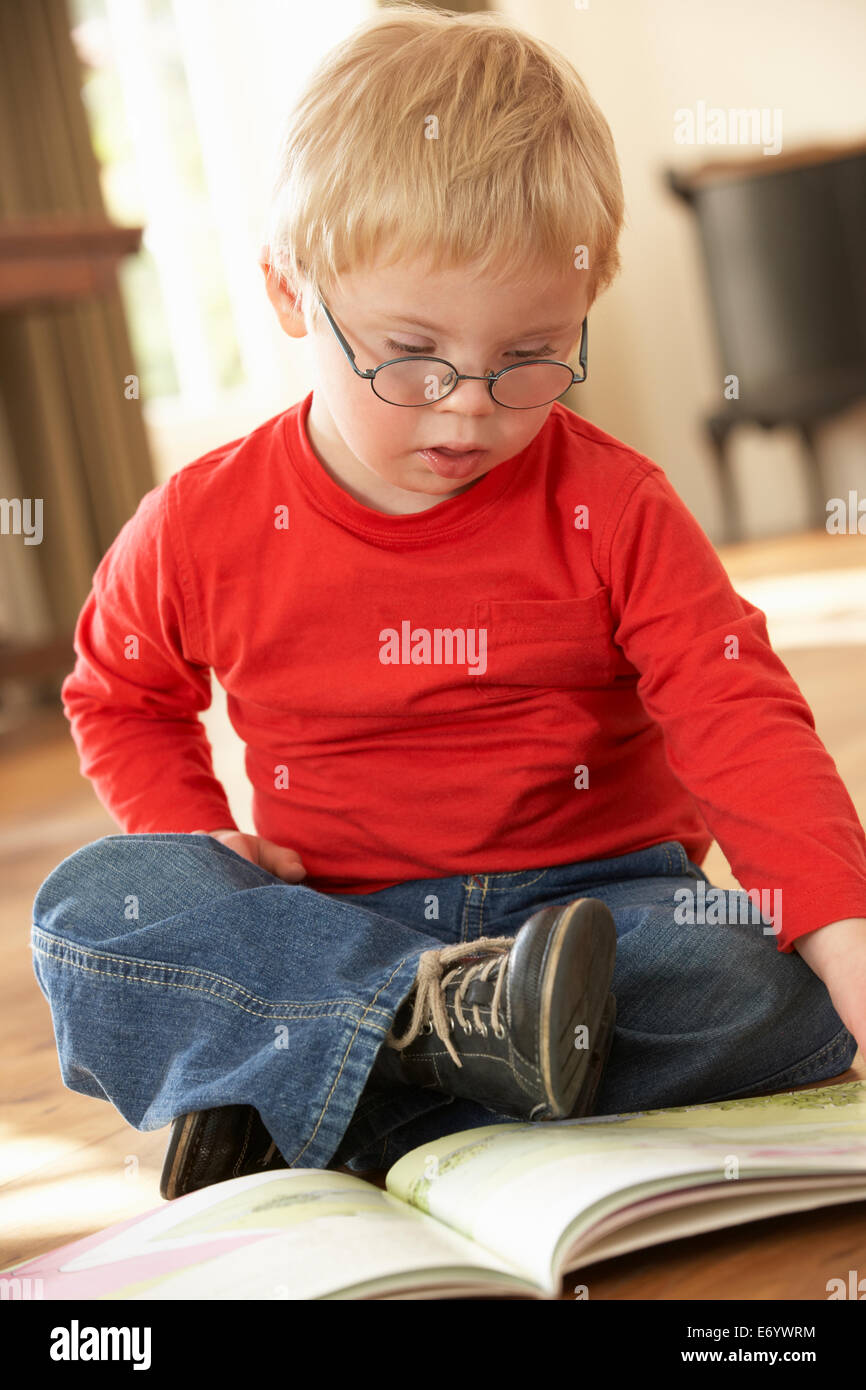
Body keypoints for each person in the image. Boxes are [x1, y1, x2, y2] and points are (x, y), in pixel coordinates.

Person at [32, 4, 865, 1203]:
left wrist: (844, 941)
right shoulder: (204, 520)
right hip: (331, 913)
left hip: (592, 915)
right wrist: (187, 823)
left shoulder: (615, 506)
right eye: (410, 356)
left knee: (761, 978)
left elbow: (741, 720)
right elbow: (120, 691)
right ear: (287, 293)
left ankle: (332, 1079)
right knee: (90, 914)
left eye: (529, 355)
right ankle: (419, 1030)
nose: (466, 409)